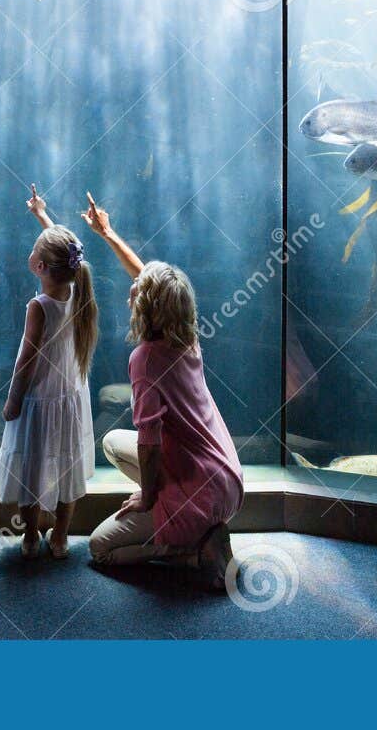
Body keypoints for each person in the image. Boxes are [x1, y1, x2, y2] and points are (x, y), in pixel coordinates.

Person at [80, 193, 242, 590]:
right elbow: (151, 281)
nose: (131, 290)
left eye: (137, 291)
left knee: (100, 548)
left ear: (149, 308)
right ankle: (195, 527)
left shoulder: (146, 359)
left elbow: (150, 446)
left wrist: (148, 498)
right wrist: (107, 233)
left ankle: (191, 550)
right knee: (113, 442)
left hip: (200, 496)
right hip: (228, 481)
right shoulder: (187, 337)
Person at [0, 185, 98, 560]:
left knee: (31, 467)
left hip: (39, 398)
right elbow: (66, 251)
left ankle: (29, 535)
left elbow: (26, 360)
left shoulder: (38, 305)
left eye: (35, 249)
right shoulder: (76, 288)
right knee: (67, 465)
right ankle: (61, 536)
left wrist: (12, 400)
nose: (32, 251)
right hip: (69, 394)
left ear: (39, 266)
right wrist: (42, 215)